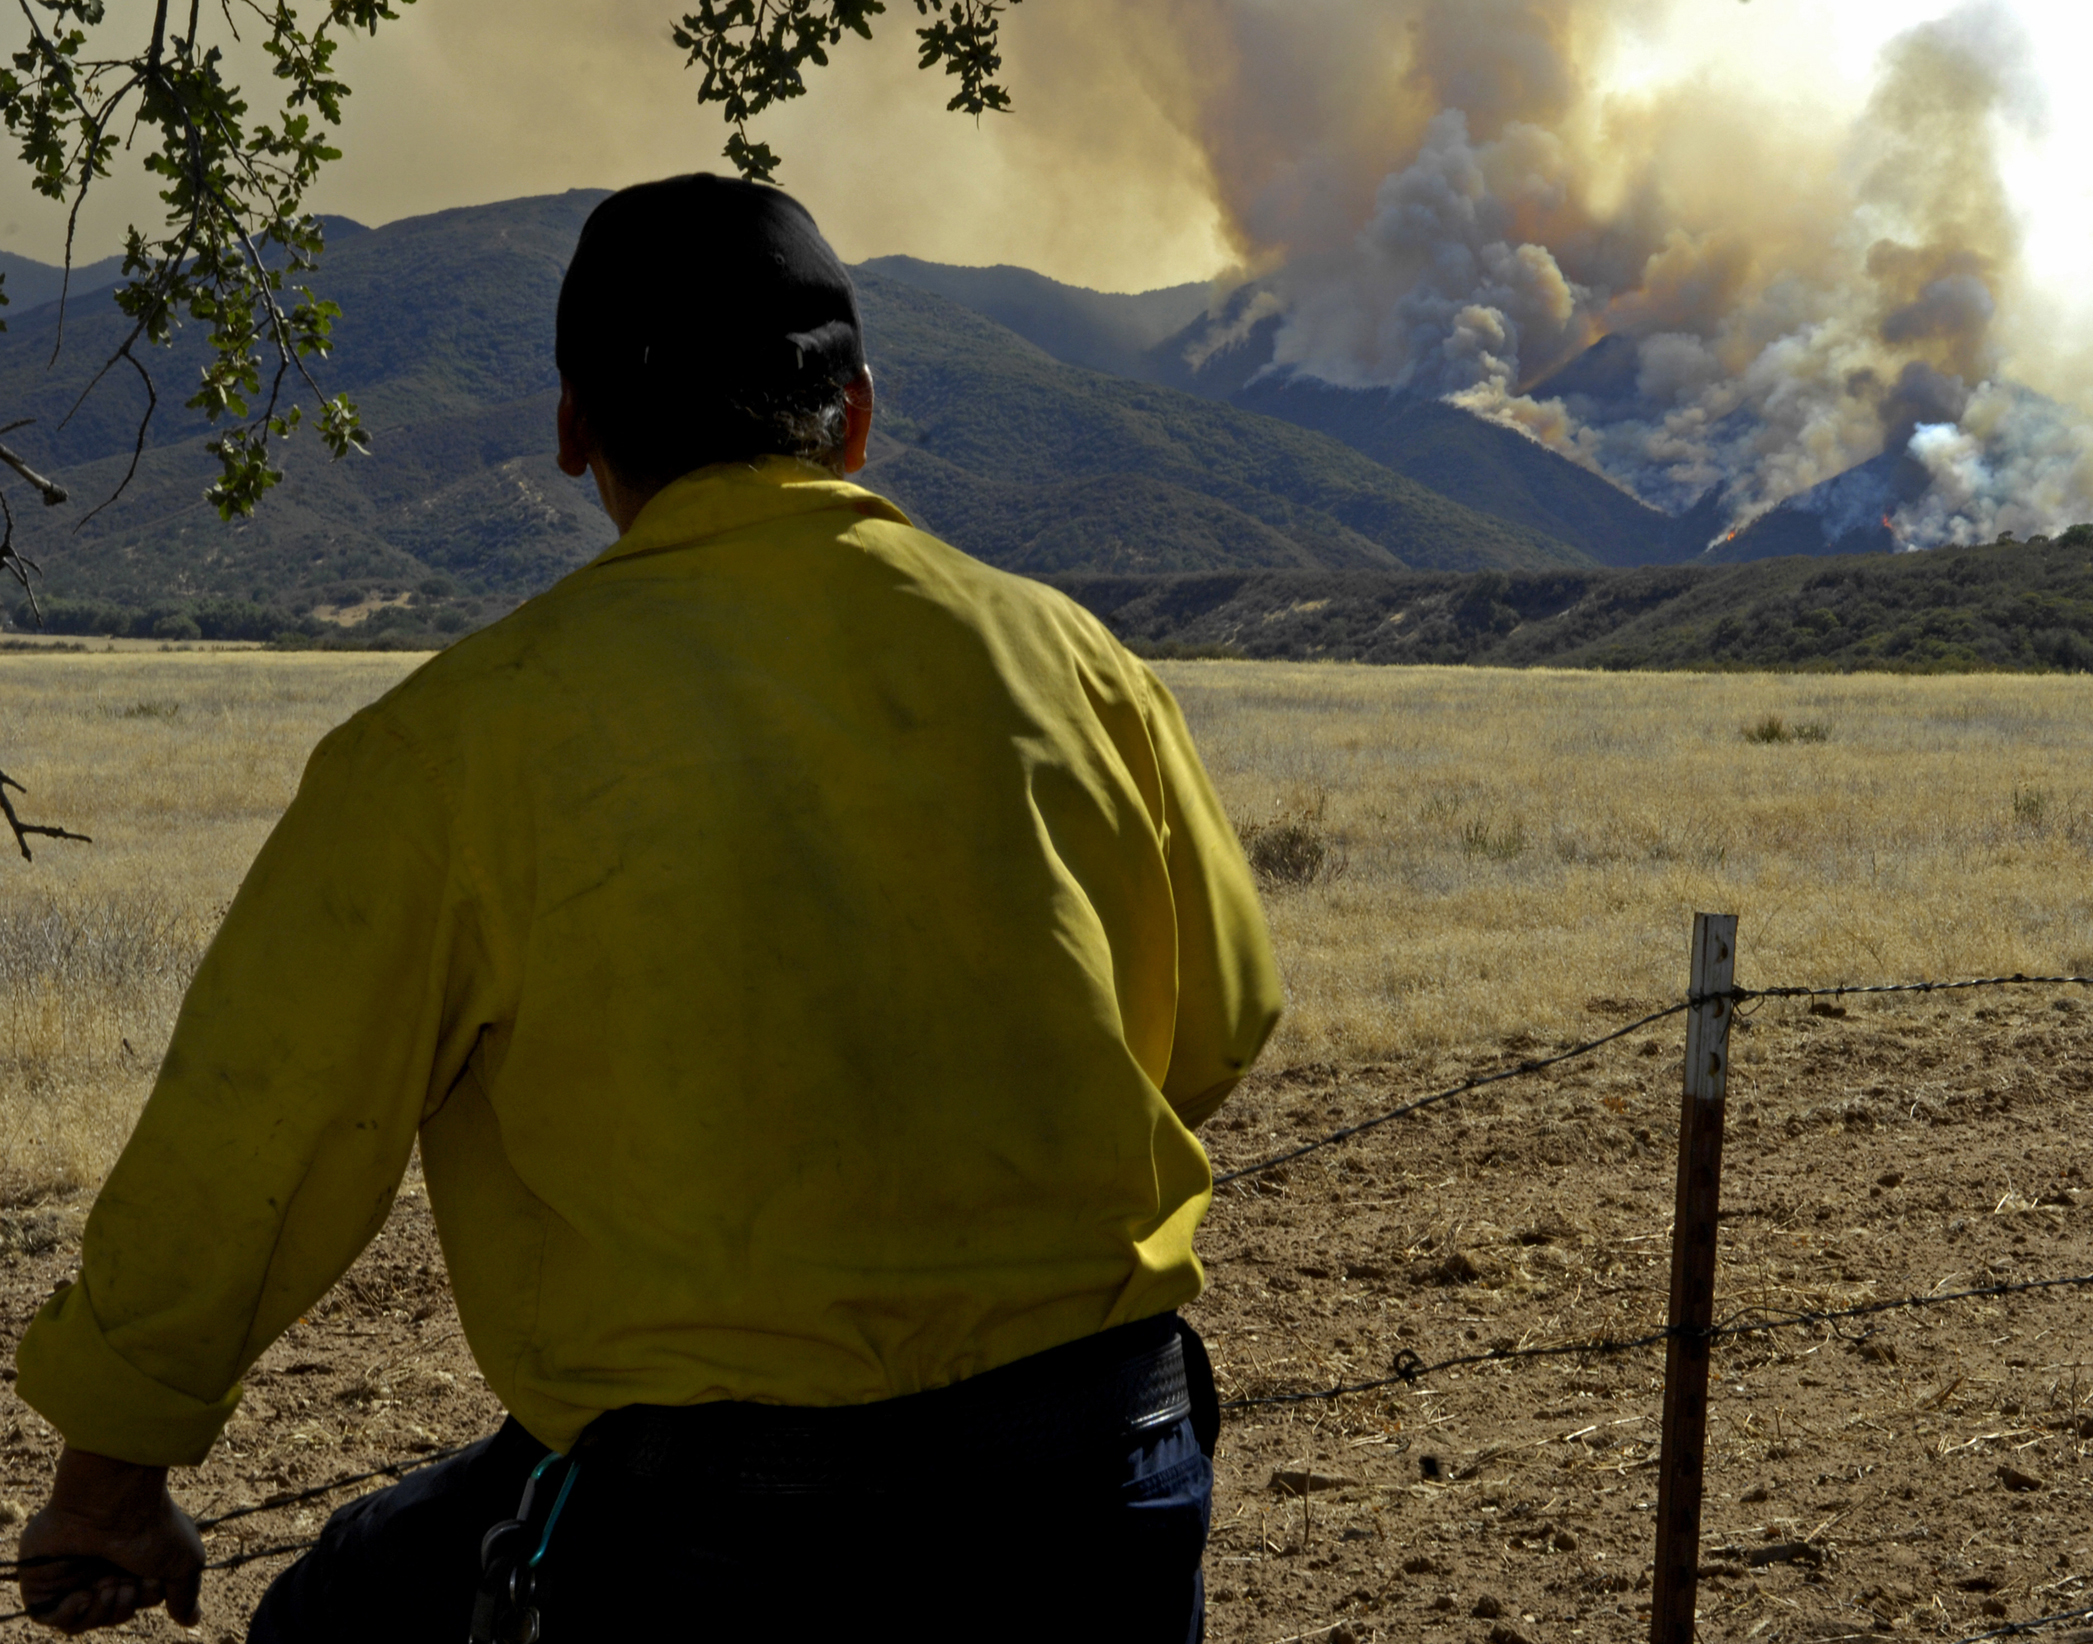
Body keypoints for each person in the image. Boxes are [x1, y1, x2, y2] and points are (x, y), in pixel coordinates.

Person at [10, 174, 1282, 1641]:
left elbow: (257, 1149)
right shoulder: (1077, 662)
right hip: (1100, 1469)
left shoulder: (452, 744)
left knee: (334, 1620)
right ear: (858, 415)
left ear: (572, 433)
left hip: (713, 1520)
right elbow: (1223, 1019)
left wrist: (108, 1489)